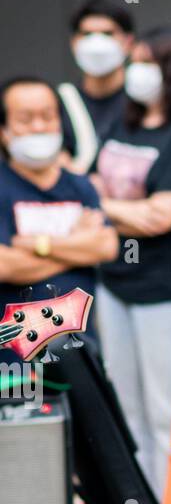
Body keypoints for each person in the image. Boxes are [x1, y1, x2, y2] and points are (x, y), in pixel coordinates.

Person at [94, 33, 171, 499]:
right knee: (126, 406)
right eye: (134, 60)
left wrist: (102, 204)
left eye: (147, 62)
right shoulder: (124, 121)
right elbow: (94, 188)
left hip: (163, 289)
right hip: (114, 283)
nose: (135, 70)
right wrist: (125, 210)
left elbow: (162, 217)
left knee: (168, 410)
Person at [0, 77, 118, 366]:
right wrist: (78, 249)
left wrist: (37, 245)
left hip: (79, 346)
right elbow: (5, 265)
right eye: (26, 119)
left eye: (47, 116)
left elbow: (108, 246)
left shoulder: (80, 186)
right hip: (13, 353)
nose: (39, 127)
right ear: (4, 130)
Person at [60, 0, 135, 175]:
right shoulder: (60, 102)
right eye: (87, 34)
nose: (96, 43)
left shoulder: (143, 102)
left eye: (107, 34)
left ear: (128, 42)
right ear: (74, 43)